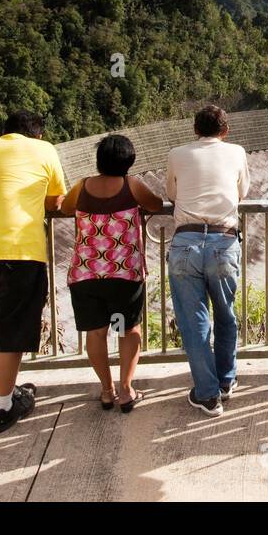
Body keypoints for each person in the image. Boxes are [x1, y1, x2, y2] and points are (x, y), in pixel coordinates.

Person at [0, 110, 67, 434]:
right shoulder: (44, 149)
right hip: (18, 251)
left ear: (4, 132)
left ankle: (0, 392)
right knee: (13, 330)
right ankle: (4, 407)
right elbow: (55, 201)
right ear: (37, 135)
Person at [59, 134, 163, 413]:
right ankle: (126, 391)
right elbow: (156, 204)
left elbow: (66, 207)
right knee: (125, 330)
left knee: (96, 333)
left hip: (86, 275)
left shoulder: (82, 186)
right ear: (129, 160)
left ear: (99, 159)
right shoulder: (131, 185)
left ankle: (106, 391)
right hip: (123, 276)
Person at [166, 104, 250, 416]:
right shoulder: (237, 152)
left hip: (185, 243)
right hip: (224, 241)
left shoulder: (177, 153)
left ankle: (207, 393)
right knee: (225, 314)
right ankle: (226, 381)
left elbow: (171, 192)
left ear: (195, 130)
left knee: (194, 322)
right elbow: (243, 191)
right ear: (225, 131)